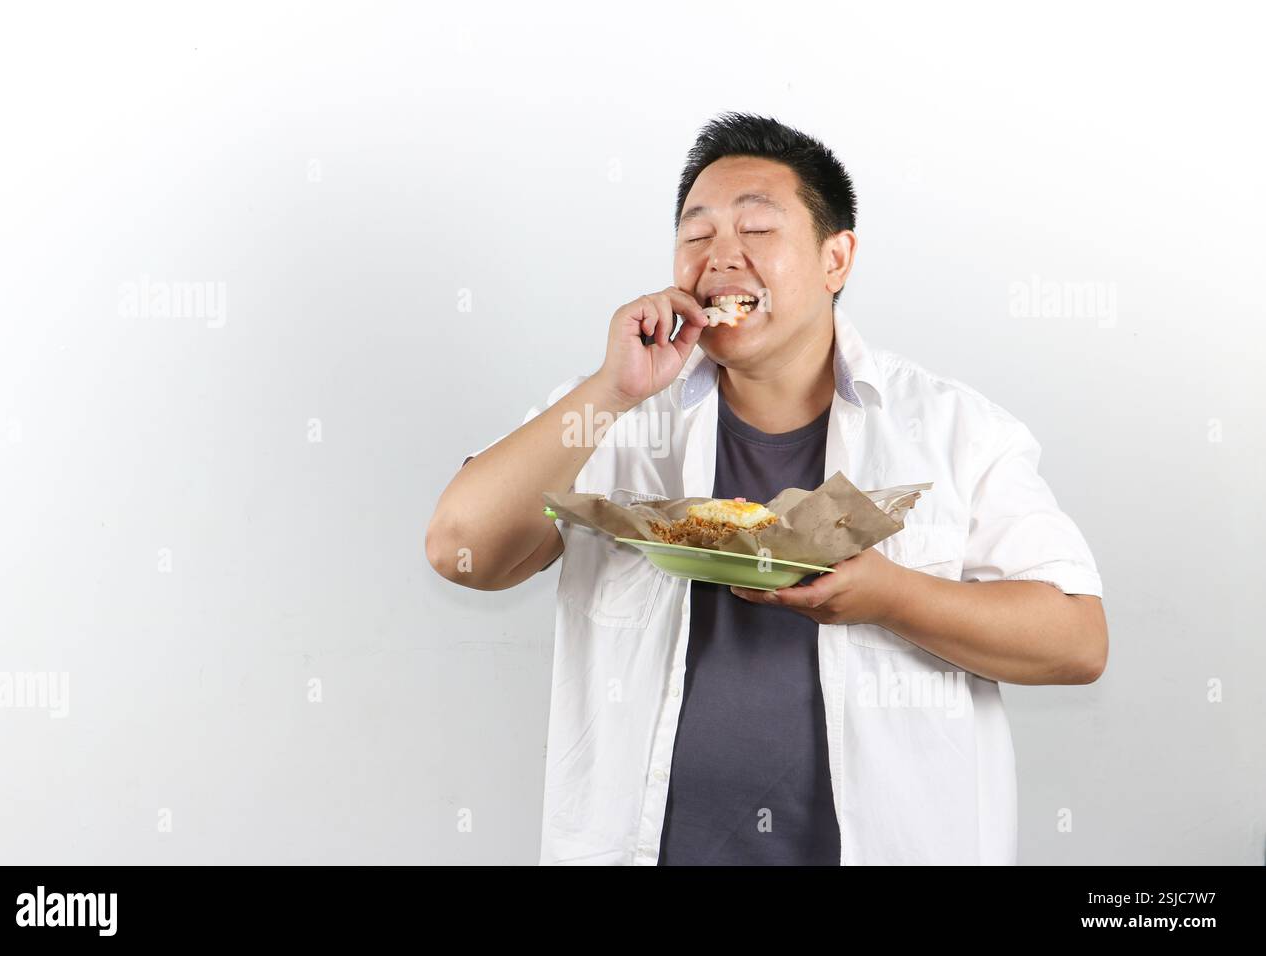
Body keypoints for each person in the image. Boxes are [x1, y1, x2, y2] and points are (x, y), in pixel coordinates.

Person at [425, 111, 1108, 865]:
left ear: (835, 259)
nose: (721, 258)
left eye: (756, 231)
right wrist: (613, 389)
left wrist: (890, 597)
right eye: (697, 234)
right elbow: (461, 549)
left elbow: (1077, 641)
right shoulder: (610, 413)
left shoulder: (954, 431)